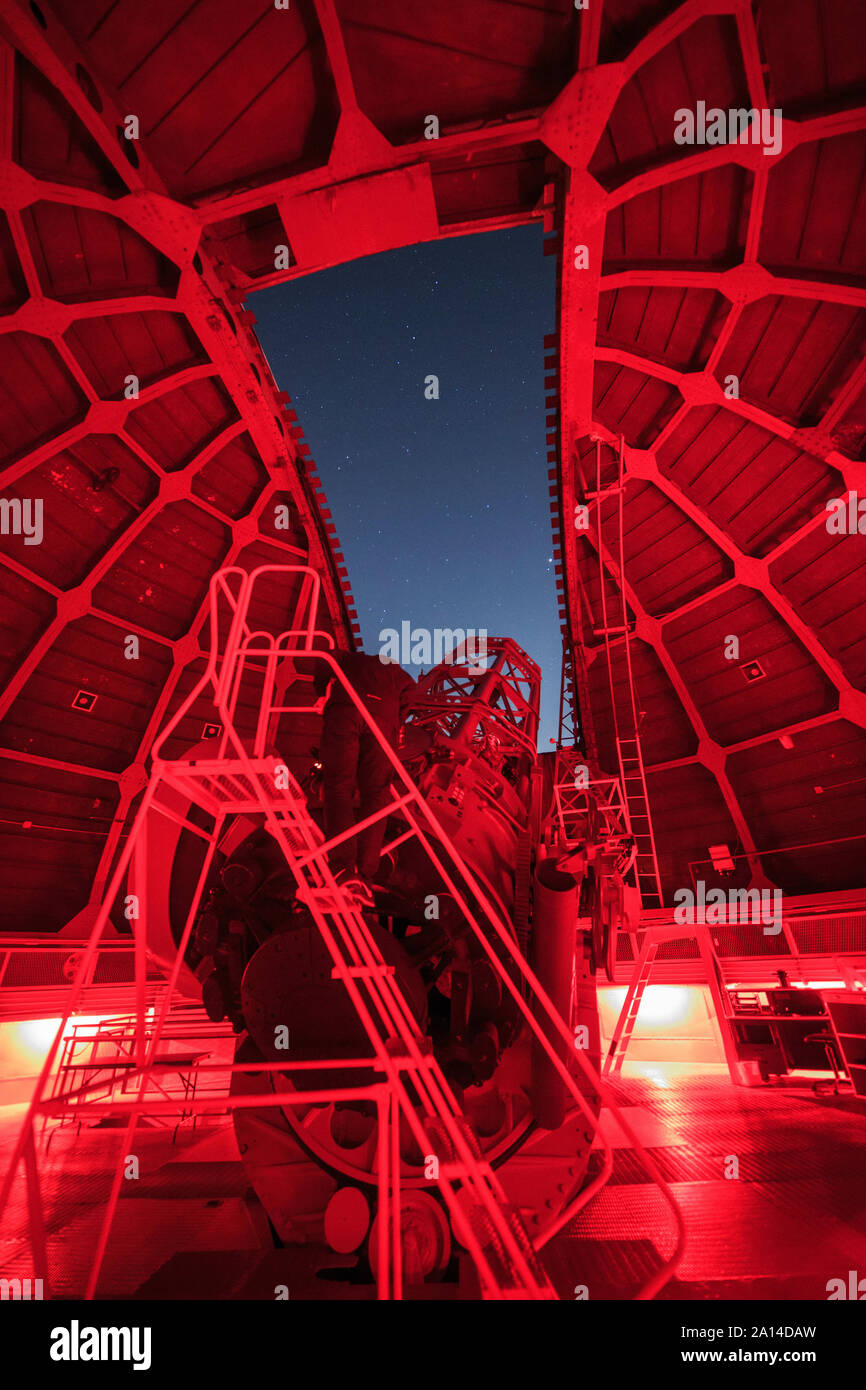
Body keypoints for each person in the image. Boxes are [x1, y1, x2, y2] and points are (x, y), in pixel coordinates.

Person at [302, 649, 416, 906]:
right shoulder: (397, 672)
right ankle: (364, 875)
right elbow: (411, 692)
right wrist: (398, 720)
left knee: (338, 786)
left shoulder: (347, 659)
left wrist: (322, 695)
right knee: (377, 794)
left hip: (346, 710)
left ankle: (342, 868)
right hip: (383, 723)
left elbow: (322, 661)